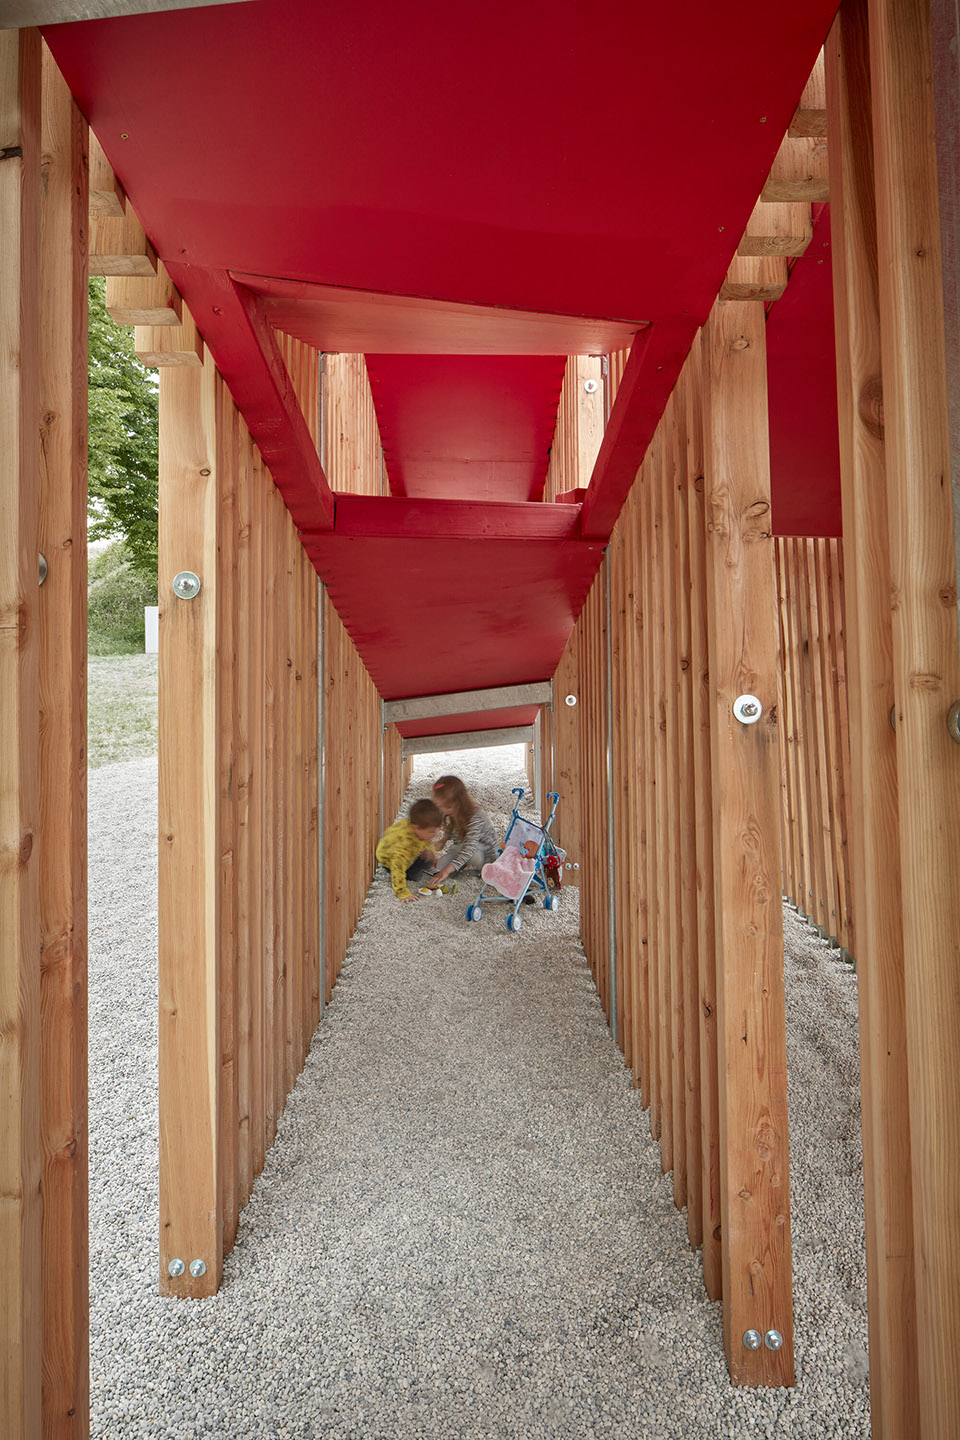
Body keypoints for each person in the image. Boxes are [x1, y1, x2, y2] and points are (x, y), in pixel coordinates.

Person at [427, 775, 498, 888]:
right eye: (439, 806)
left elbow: (469, 848)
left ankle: (478, 870)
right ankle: (461, 865)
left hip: (484, 855)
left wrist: (446, 871)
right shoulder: (453, 812)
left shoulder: (475, 817)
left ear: (460, 803)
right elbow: (452, 827)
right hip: (462, 846)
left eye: (446, 807)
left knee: (468, 858)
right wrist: (444, 840)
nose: (442, 810)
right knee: (439, 868)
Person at [376, 797, 443, 903]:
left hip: (407, 850)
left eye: (436, 830)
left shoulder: (417, 827)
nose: (435, 834)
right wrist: (403, 893)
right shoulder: (403, 847)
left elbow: (424, 839)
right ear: (416, 828)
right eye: (431, 831)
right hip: (390, 861)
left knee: (428, 859)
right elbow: (397, 870)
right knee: (415, 876)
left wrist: (428, 850)